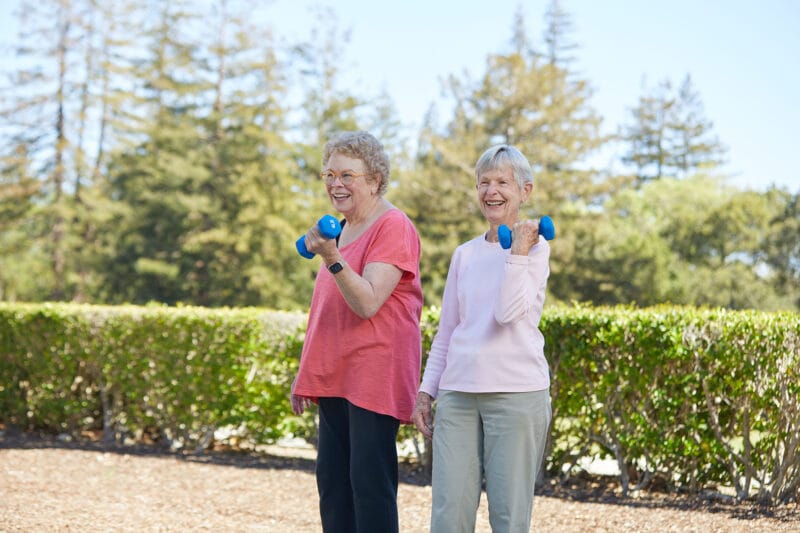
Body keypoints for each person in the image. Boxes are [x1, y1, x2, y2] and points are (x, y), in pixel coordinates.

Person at [412, 144, 552, 533]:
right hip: (458, 394)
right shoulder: (465, 254)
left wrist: (518, 251)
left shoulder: (537, 249)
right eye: (483, 182)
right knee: (448, 516)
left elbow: (507, 313)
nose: (491, 191)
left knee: (508, 519)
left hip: (516, 393)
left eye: (502, 182)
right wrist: (427, 391)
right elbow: (448, 331)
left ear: (525, 191)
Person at [290, 130, 423, 533]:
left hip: (374, 373)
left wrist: (331, 257)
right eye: (329, 174)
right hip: (337, 375)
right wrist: (305, 373)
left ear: (375, 180)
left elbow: (367, 302)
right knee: (332, 487)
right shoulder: (342, 230)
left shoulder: (393, 226)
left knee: (369, 488)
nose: (335, 184)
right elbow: (324, 313)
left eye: (347, 175)